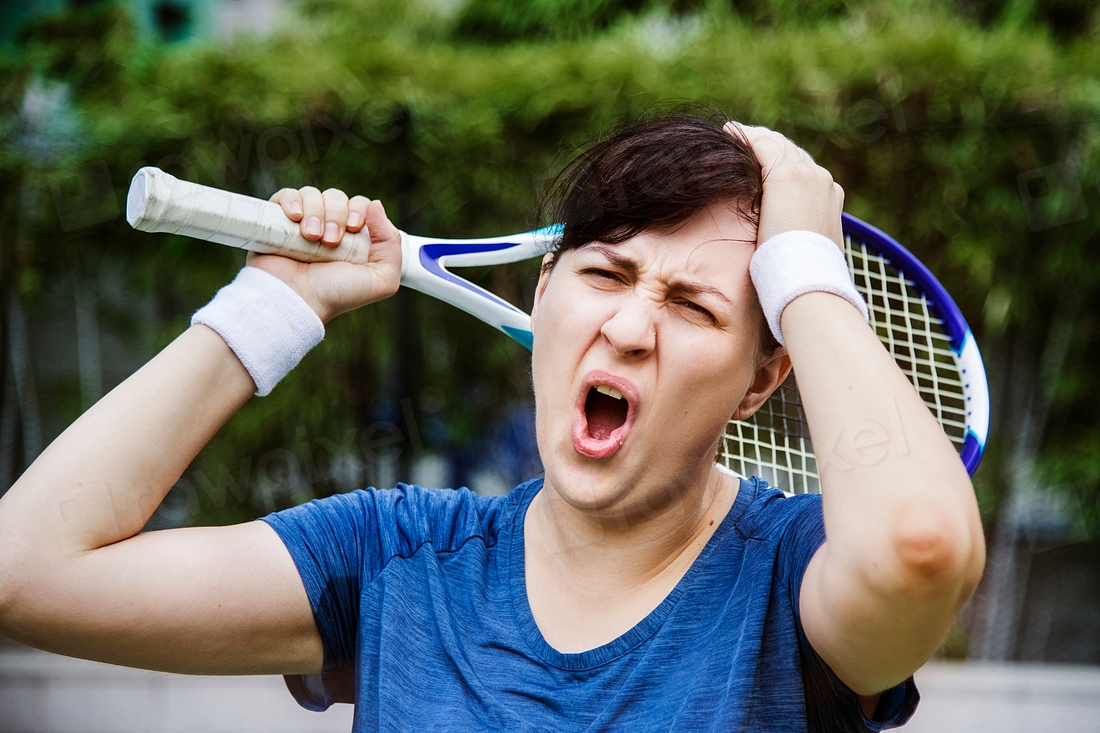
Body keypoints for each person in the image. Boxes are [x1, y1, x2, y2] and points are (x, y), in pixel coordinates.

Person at [0, 114, 984, 732]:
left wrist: (807, 273)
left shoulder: (792, 577)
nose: (631, 325)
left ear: (760, 380)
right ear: (544, 289)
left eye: (694, 308)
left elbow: (918, 545)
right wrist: (266, 312)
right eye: (602, 272)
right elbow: (24, 571)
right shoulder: (394, 558)